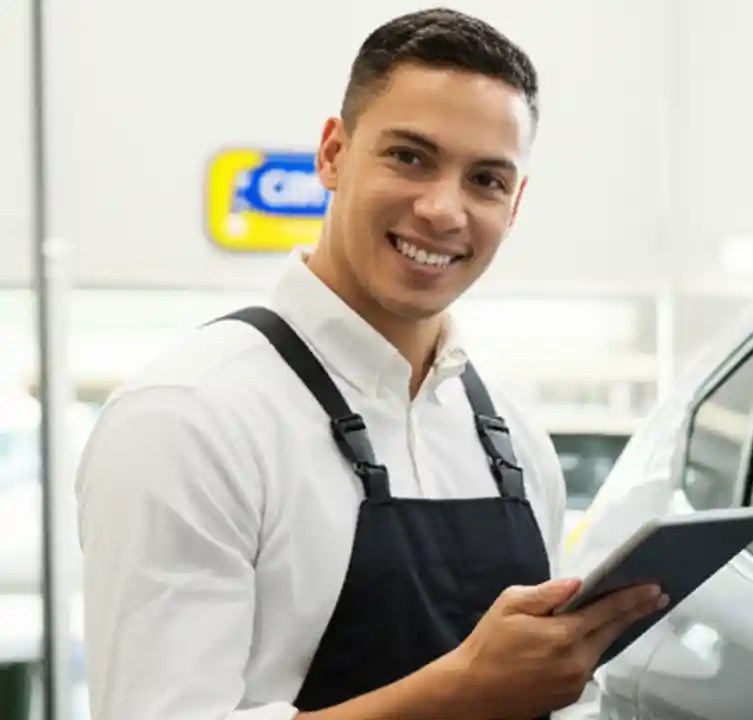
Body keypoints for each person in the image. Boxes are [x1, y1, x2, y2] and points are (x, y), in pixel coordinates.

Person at [74, 8, 666, 720]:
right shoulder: (189, 418)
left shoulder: (513, 438)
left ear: (516, 205)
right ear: (332, 153)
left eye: (486, 180)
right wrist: (461, 693)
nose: (444, 210)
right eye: (410, 157)